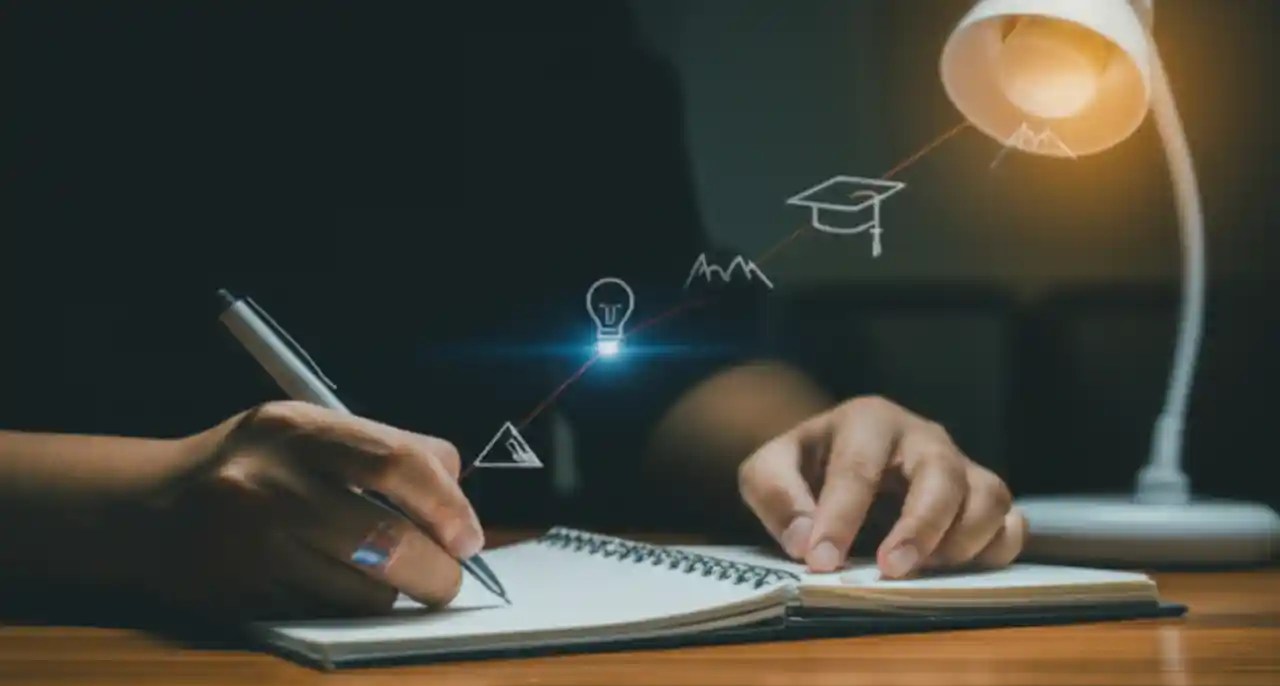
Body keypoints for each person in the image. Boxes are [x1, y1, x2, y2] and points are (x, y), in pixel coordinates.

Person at [0, 2, 1025, 623]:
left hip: (448, 651)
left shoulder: (552, 38)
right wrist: (147, 503)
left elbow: (671, 359)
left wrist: (817, 454)